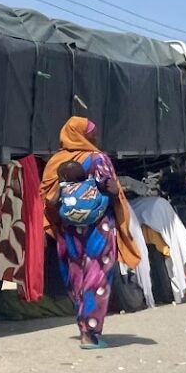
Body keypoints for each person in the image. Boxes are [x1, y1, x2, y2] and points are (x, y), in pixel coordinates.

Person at [41, 118, 139, 350]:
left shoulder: (55, 161)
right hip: (99, 227)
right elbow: (111, 188)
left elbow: (47, 197)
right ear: (83, 135)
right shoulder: (98, 158)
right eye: (92, 133)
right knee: (98, 277)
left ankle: (84, 327)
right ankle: (91, 333)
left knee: (76, 277)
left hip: (68, 230)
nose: (95, 137)